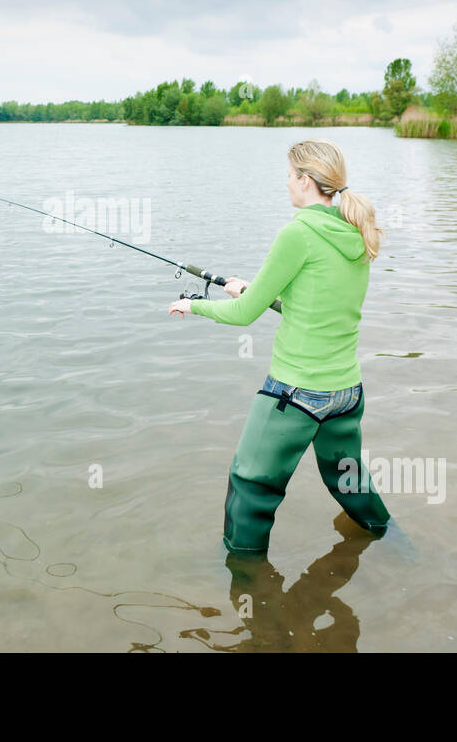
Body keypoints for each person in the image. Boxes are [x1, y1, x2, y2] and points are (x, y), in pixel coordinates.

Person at [168, 138, 394, 556]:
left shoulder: (298, 233)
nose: (287, 184)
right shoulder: (355, 231)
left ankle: (245, 579)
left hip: (296, 393)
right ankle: (394, 543)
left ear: (306, 181)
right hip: (346, 392)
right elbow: (316, 306)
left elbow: (242, 315)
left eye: (290, 177)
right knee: (348, 479)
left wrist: (194, 305)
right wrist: (252, 288)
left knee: (250, 486)